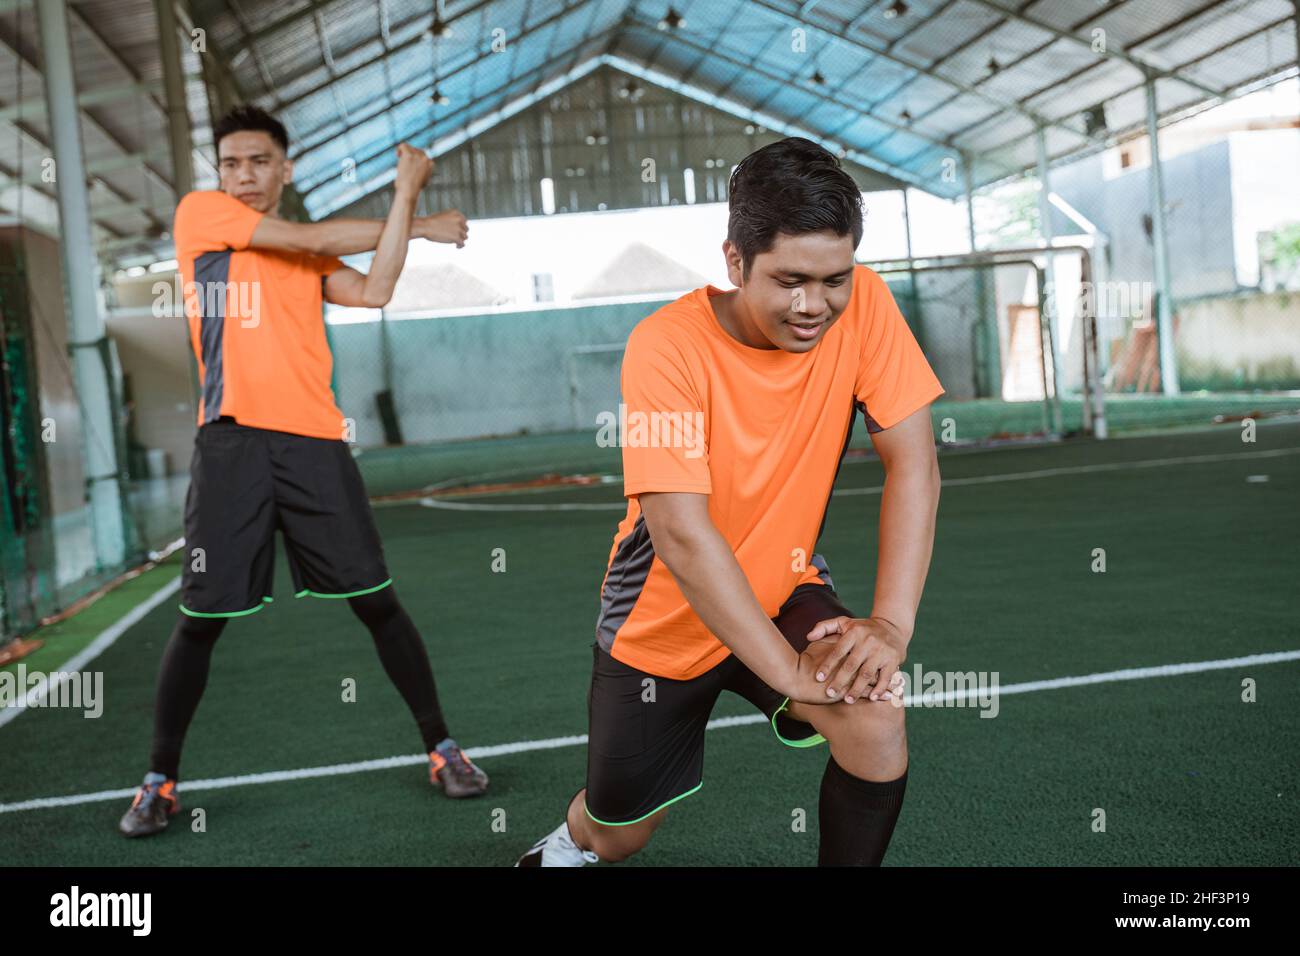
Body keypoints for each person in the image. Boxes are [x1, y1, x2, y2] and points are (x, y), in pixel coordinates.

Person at [516, 137, 944, 866]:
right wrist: (788, 673)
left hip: (784, 589)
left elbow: (916, 466)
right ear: (736, 262)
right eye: (790, 280)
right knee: (620, 835)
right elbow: (681, 535)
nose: (814, 306)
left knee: (872, 715)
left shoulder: (865, 304)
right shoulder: (663, 347)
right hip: (664, 622)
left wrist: (891, 627)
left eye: (834, 279)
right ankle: (574, 838)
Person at [120, 105, 486, 839]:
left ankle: (442, 749)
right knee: (200, 620)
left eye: (259, 162)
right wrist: (415, 215)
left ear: (284, 169)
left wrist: (405, 201)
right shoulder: (202, 218)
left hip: (315, 446)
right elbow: (316, 237)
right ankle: (158, 781)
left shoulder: (307, 255)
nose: (243, 176)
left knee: (377, 602)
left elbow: (375, 290)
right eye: (231, 163)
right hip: (230, 447)